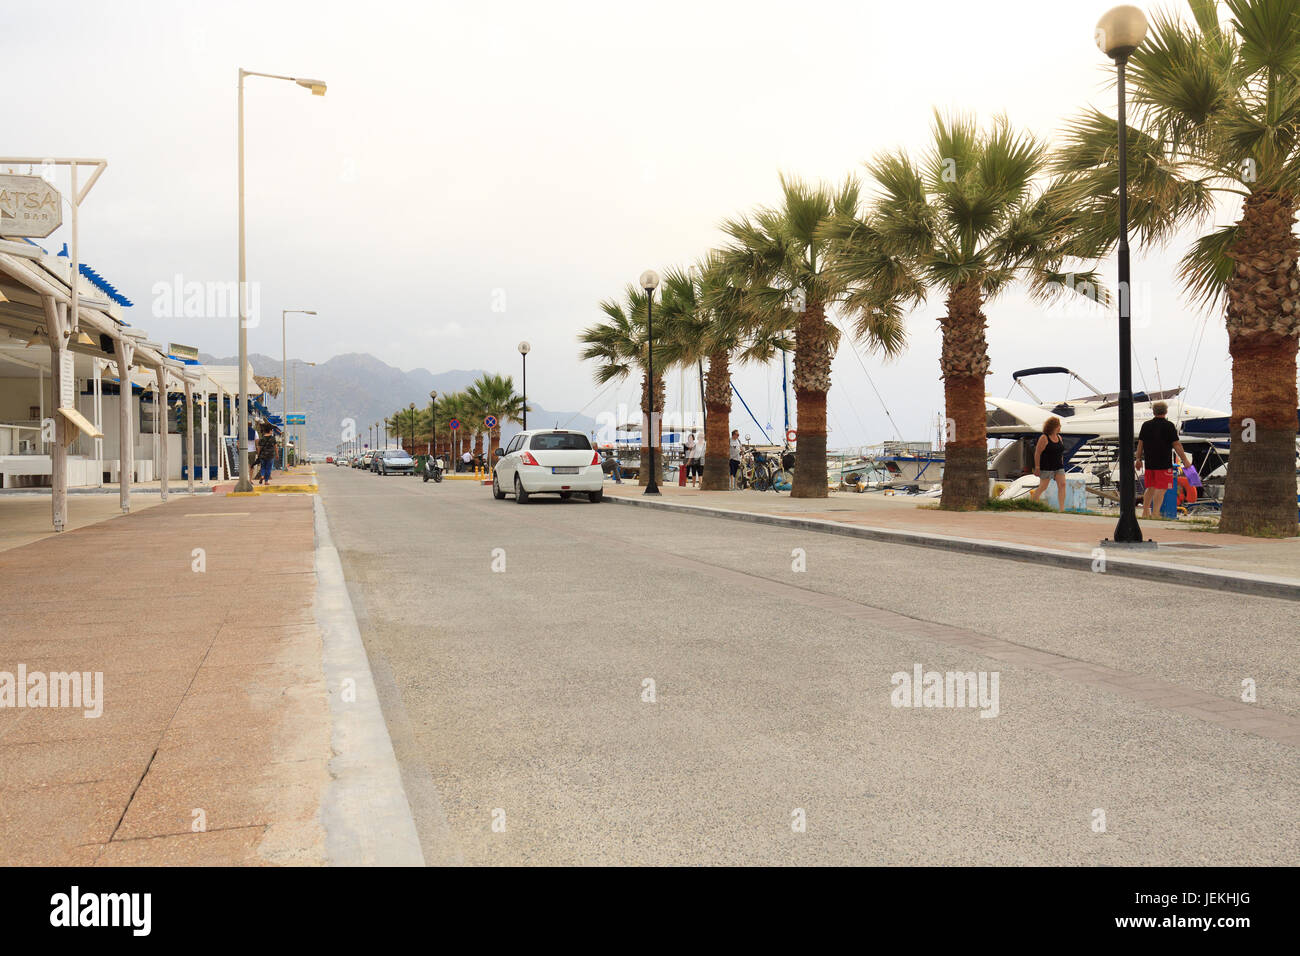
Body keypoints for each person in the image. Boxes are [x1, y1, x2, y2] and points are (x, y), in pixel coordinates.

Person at [1136, 400, 1190, 518]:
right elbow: (1176, 445)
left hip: (1150, 462)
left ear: (1154, 412)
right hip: (1163, 463)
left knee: (1150, 488)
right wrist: (1185, 460)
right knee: (1162, 488)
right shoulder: (1169, 426)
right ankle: (1155, 513)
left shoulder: (1146, 425)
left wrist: (1138, 459)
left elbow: (1140, 443)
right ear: (1165, 412)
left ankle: (1145, 512)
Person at [1029, 416, 1067, 511]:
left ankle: (1062, 509)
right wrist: (1037, 467)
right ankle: (1033, 501)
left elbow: (1060, 452)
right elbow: (1037, 453)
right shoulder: (1044, 437)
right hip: (1047, 466)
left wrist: (1062, 463)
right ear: (1054, 426)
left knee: (1062, 485)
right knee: (1043, 487)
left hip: (1058, 466)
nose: (1060, 427)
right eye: (1059, 425)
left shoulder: (1059, 437)